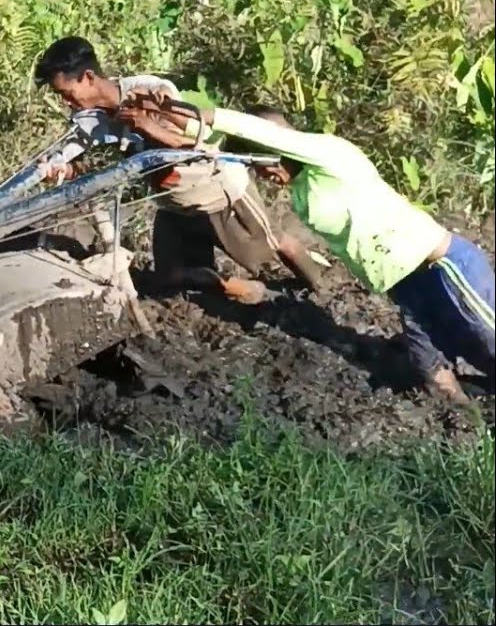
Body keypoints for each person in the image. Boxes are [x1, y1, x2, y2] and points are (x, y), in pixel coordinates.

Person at [122, 97, 495, 404]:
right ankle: (472, 429)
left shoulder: (329, 154)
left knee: (489, 347)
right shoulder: (301, 188)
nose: (265, 176)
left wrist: (205, 114)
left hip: (443, 269)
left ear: (277, 145)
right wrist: (162, 125)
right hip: (408, 291)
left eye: (264, 162)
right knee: (433, 375)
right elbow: (217, 150)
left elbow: (253, 131)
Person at [32, 36, 325, 305]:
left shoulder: (149, 91)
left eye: (67, 93)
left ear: (88, 78)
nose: (66, 102)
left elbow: (191, 142)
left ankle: (321, 292)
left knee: (272, 244)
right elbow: (96, 163)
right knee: (169, 279)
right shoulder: (90, 121)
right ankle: (252, 291)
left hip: (216, 190)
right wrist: (64, 169)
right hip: (173, 203)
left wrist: (148, 126)